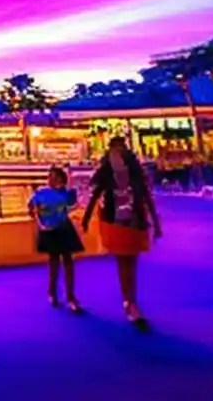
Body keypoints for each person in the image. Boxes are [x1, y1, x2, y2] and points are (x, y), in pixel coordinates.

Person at [82, 136, 162, 325]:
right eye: (115, 148)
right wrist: (86, 219)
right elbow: (95, 196)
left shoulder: (135, 175)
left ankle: (131, 300)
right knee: (123, 262)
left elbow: (146, 198)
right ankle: (129, 301)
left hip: (135, 221)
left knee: (131, 262)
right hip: (116, 221)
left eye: (121, 148)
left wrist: (156, 222)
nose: (118, 152)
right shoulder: (107, 174)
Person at [28, 166, 84, 312]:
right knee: (53, 262)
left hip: (64, 228)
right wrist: (40, 222)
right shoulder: (41, 193)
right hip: (49, 230)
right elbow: (31, 208)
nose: (51, 179)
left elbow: (73, 202)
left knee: (68, 261)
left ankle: (71, 297)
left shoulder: (66, 192)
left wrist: (70, 185)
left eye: (54, 177)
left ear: (61, 179)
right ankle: (52, 293)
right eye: (50, 176)